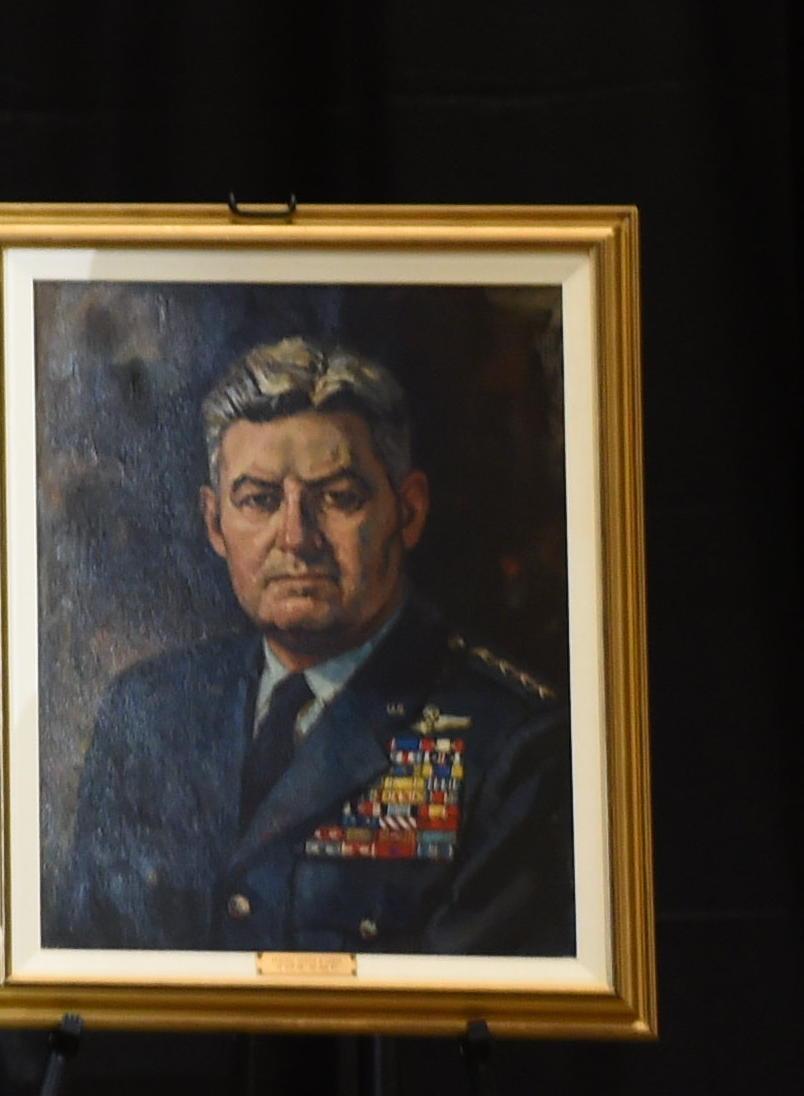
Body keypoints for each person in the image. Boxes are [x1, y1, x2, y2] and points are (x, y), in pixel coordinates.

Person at [52, 336, 570, 956]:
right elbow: (88, 966)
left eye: (338, 497)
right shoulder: (151, 708)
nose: (296, 537)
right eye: (259, 500)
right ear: (216, 524)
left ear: (408, 511)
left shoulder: (514, 742)